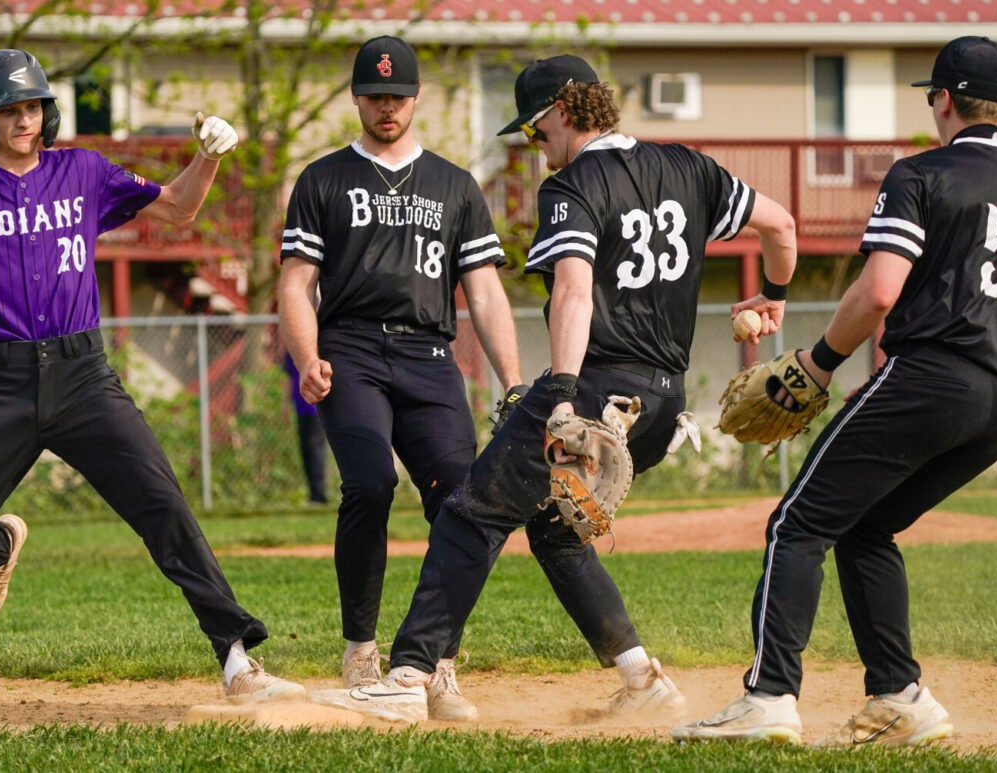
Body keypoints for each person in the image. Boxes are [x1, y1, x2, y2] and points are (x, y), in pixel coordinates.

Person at [309, 54, 798, 723]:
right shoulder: (691, 166)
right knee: (555, 529)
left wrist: (562, 394)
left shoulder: (573, 187)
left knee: (468, 510)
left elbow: (572, 290)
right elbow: (782, 227)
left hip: (596, 384)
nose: (538, 151)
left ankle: (408, 672)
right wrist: (773, 296)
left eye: (538, 134)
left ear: (564, 113)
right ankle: (640, 675)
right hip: (661, 402)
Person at [0, 48, 304, 705]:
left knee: (164, 508)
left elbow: (178, 208)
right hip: (5, 382)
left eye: (32, 106)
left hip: (83, 377)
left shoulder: (82, 172)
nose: (23, 119)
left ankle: (237, 660)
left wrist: (208, 155)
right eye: (8, 110)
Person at [674, 36, 997, 746]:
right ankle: (899, 695)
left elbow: (880, 290)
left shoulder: (922, 173)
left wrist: (820, 362)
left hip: (931, 376)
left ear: (944, 99)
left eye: (931, 95)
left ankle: (769, 697)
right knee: (867, 524)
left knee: (797, 523)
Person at [277, 35, 525, 722]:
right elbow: (296, 284)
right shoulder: (323, 179)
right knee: (370, 482)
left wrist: (514, 382)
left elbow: (484, 292)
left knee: (463, 501)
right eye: (375, 95)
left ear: (417, 99)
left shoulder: (454, 185)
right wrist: (307, 356)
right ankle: (361, 647)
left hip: (430, 355)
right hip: (350, 348)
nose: (387, 107)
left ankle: (434, 660)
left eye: (398, 95)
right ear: (357, 98)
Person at [282, 352, 329, 504]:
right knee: (306, 449)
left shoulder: (319, 345)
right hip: (300, 406)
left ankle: (319, 494)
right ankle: (314, 494)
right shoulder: (292, 348)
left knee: (315, 449)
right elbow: (288, 377)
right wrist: (285, 403)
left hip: (317, 407)